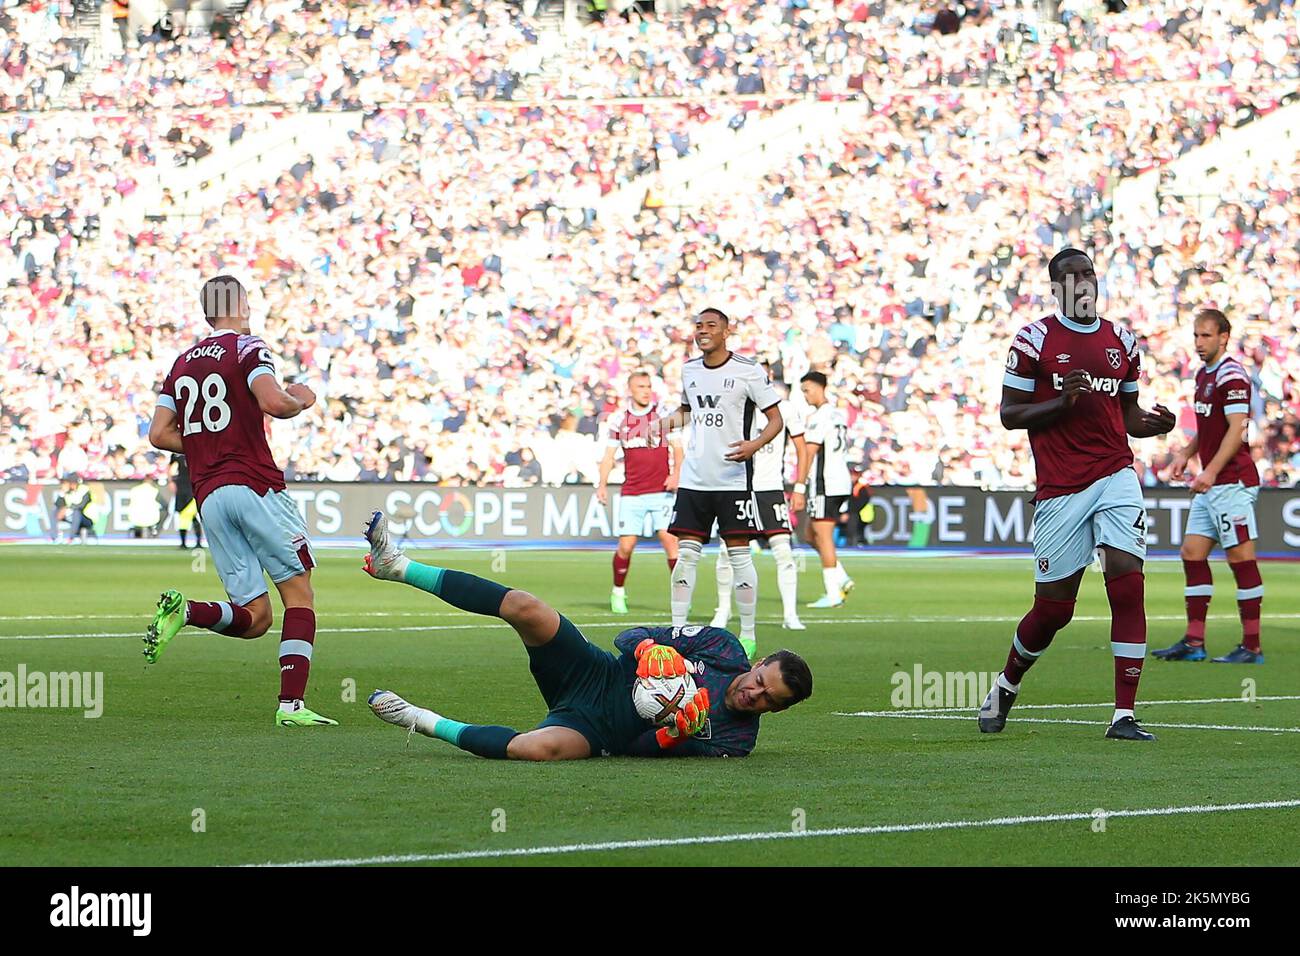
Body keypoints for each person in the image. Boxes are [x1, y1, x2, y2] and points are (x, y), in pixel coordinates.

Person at [361, 511, 813, 759]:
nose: (755, 695)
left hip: (600, 729)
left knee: (537, 749)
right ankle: (398, 566)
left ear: (778, 709)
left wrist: (673, 734)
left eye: (769, 700)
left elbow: (633, 751)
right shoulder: (723, 646)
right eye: (760, 681)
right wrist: (649, 648)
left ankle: (421, 721)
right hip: (596, 674)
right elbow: (629, 635)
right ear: (757, 664)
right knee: (526, 607)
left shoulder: (736, 742)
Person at [979, 247, 1176, 741]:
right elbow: (1010, 414)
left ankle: (1123, 716)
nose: (1084, 281)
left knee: (1128, 582)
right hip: (1061, 487)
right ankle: (1007, 684)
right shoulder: (1034, 339)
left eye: (1089, 272)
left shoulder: (1122, 341)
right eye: (1072, 276)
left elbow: (1126, 416)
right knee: (1054, 611)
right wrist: (1060, 402)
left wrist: (1155, 427)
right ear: (1057, 287)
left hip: (1115, 473)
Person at [144, 275, 334, 727]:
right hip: (254, 485)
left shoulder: (182, 362)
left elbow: (158, 434)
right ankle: (291, 707)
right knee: (298, 591)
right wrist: (302, 399)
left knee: (257, 616)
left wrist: (208, 446)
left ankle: (188, 611)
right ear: (241, 304)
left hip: (210, 494)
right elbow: (275, 403)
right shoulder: (248, 348)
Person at [661, 308, 784, 659]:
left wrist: (754, 445)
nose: (703, 331)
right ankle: (677, 630)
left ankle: (747, 633)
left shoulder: (747, 370)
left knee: (739, 555)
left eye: (710, 325)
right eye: (698, 325)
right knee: (686, 554)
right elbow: (687, 411)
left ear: (726, 331)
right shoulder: (689, 370)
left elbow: (776, 418)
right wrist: (660, 424)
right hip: (694, 478)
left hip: (732, 478)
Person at [1154, 308, 1265, 664]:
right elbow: (1209, 427)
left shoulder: (1232, 375)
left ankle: (1252, 646)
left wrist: (1211, 471)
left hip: (1231, 482)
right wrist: (1186, 454)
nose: (1199, 342)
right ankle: (1194, 642)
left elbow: (1236, 430)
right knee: (1192, 552)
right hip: (1212, 482)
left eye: (1206, 336)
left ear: (1223, 338)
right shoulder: (1204, 374)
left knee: (1241, 559)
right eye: (1196, 335)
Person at [711, 363, 807, 630]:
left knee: (783, 551)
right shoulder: (732, 407)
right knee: (725, 552)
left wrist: (799, 487)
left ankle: (790, 614)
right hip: (736, 487)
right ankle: (723, 610)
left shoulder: (785, 409)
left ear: (770, 377)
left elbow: (802, 448)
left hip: (770, 487)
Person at [595, 371, 682, 614]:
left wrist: (676, 474)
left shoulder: (663, 414)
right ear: (630, 390)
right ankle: (618, 591)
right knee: (626, 546)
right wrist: (601, 484)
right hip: (632, 492)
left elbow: (678, 449)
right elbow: (609, 456)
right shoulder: (619, 420)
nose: (645, 390)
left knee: (670, 541)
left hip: (661, 491)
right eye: (640, 386)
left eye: (648, 386)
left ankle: (679, 597)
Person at [792, 371, 855, 607]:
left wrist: (800, 484)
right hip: (840, 481)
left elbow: (809, 451)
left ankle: (833, 593)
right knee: (810, 534)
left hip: (825, 483)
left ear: (820, 388)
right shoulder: (838, 414)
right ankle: (841, 577)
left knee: (823, 535)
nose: (805, 396)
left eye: (807, 390)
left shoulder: (821, 416)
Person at [171, 454, 202, 549]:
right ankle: (189, 542)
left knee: (188, 516)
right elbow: (171, 469)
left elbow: (171, 470)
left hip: (189, 489)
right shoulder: (179, 456)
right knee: (189, 517)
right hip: (185, 489)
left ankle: (187, 542)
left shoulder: (194, 455)